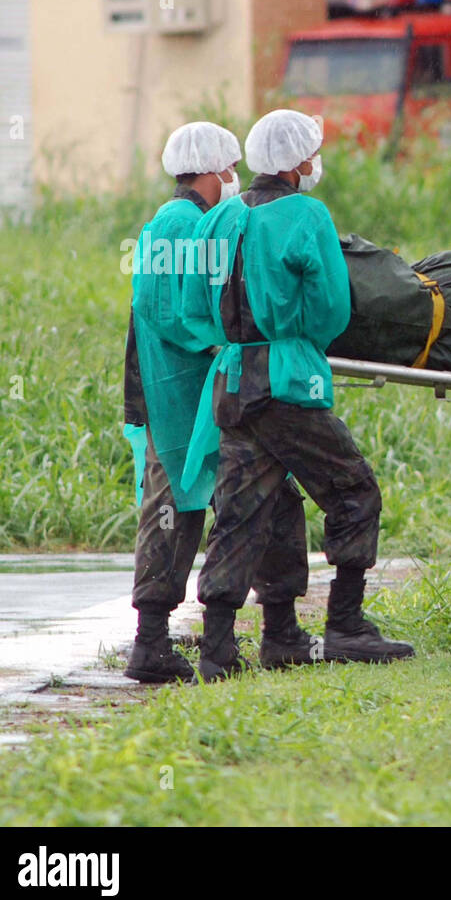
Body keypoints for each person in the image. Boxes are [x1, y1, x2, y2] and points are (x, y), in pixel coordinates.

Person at [179, 109, 414, 681]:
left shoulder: (220, 220)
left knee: (242, 513)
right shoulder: (307, 215)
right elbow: (332, 308)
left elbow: (192, 306)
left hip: (232, 384)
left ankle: (221, 649)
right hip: (288, 380)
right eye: (312, 154)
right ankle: (347, 627)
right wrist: (293, 336)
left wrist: (236, 340)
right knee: (354, 491)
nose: (316, 164)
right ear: (298, 162)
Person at [122, 121, 316, 683]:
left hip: (195, 389)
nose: (235, 179)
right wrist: (225, 339)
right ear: (213, 171)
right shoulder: (178, 226)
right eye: (231, 168)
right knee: (187, 507)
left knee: (228, 501)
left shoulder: (184, 224)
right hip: (187, 394)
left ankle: (268, 630)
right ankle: (155, 643)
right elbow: (168, 311)